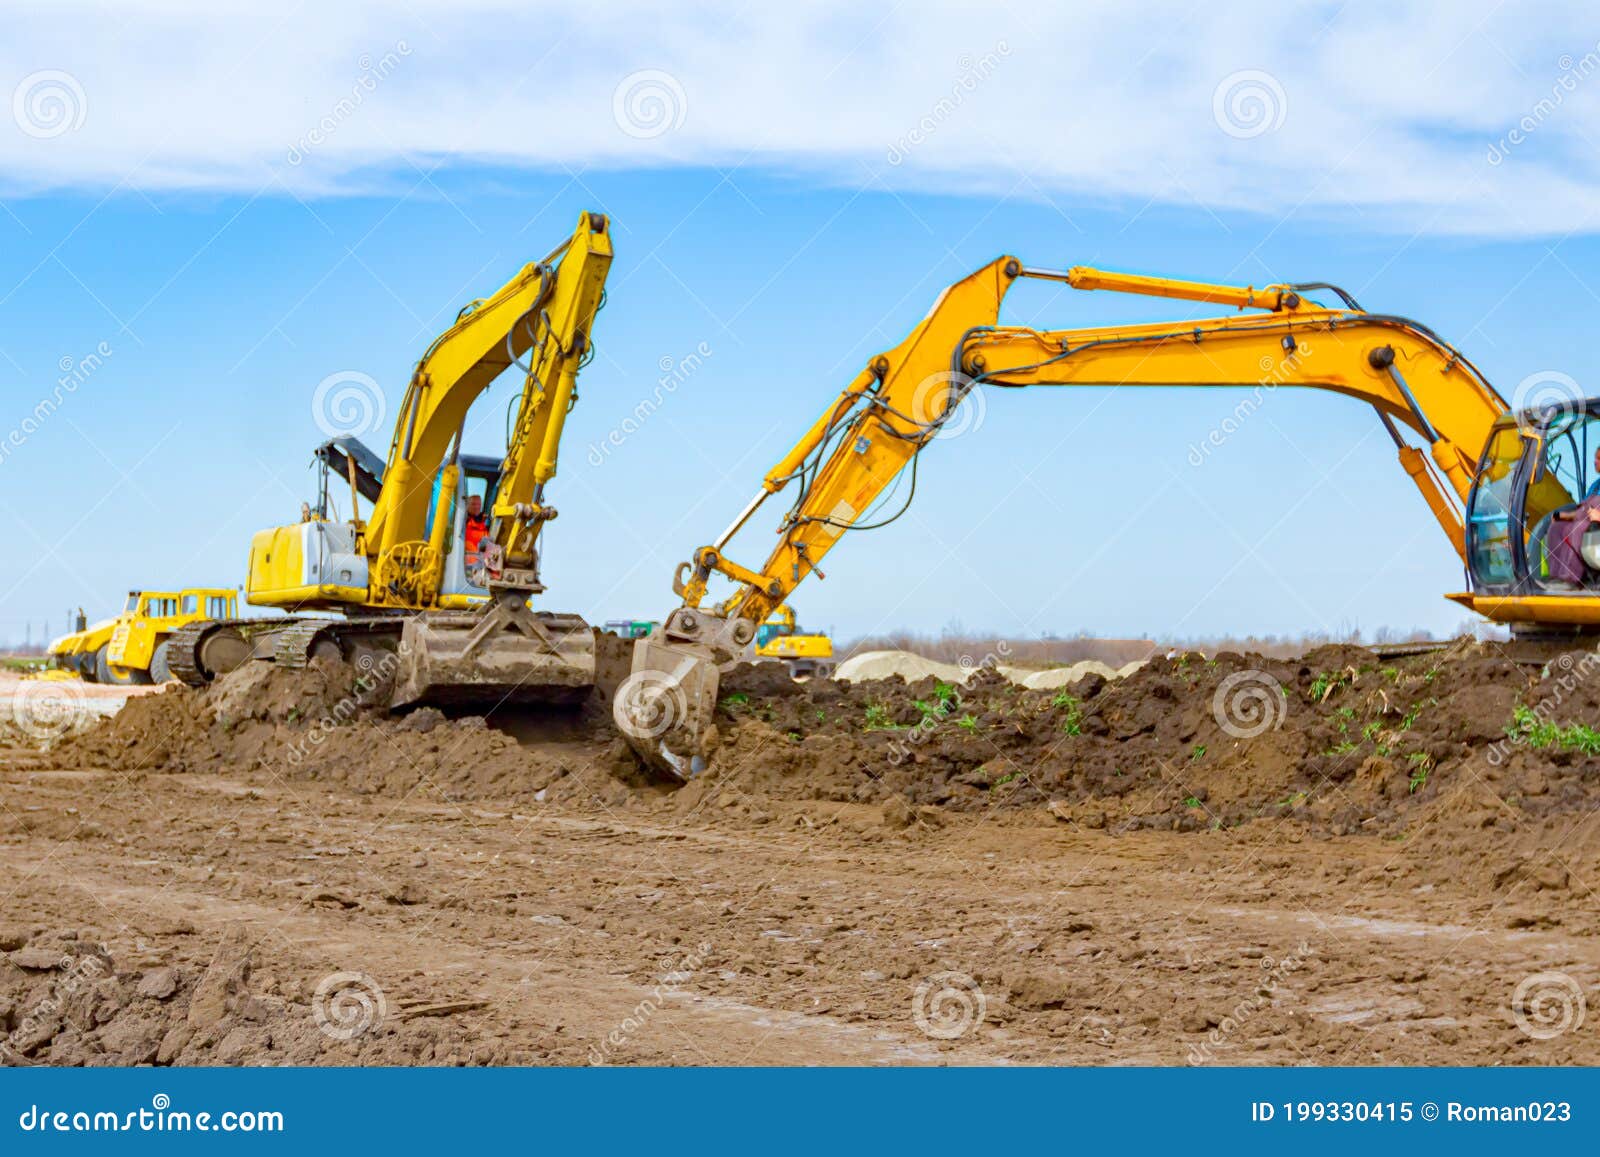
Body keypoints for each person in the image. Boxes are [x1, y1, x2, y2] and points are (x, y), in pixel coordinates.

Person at [463, 494, 488, 563]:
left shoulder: (484, 523)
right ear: (467, 506)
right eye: (473, 504)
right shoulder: (462, 521)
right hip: (467, 562)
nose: (477, 507)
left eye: (479, 504)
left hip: (481, 562)